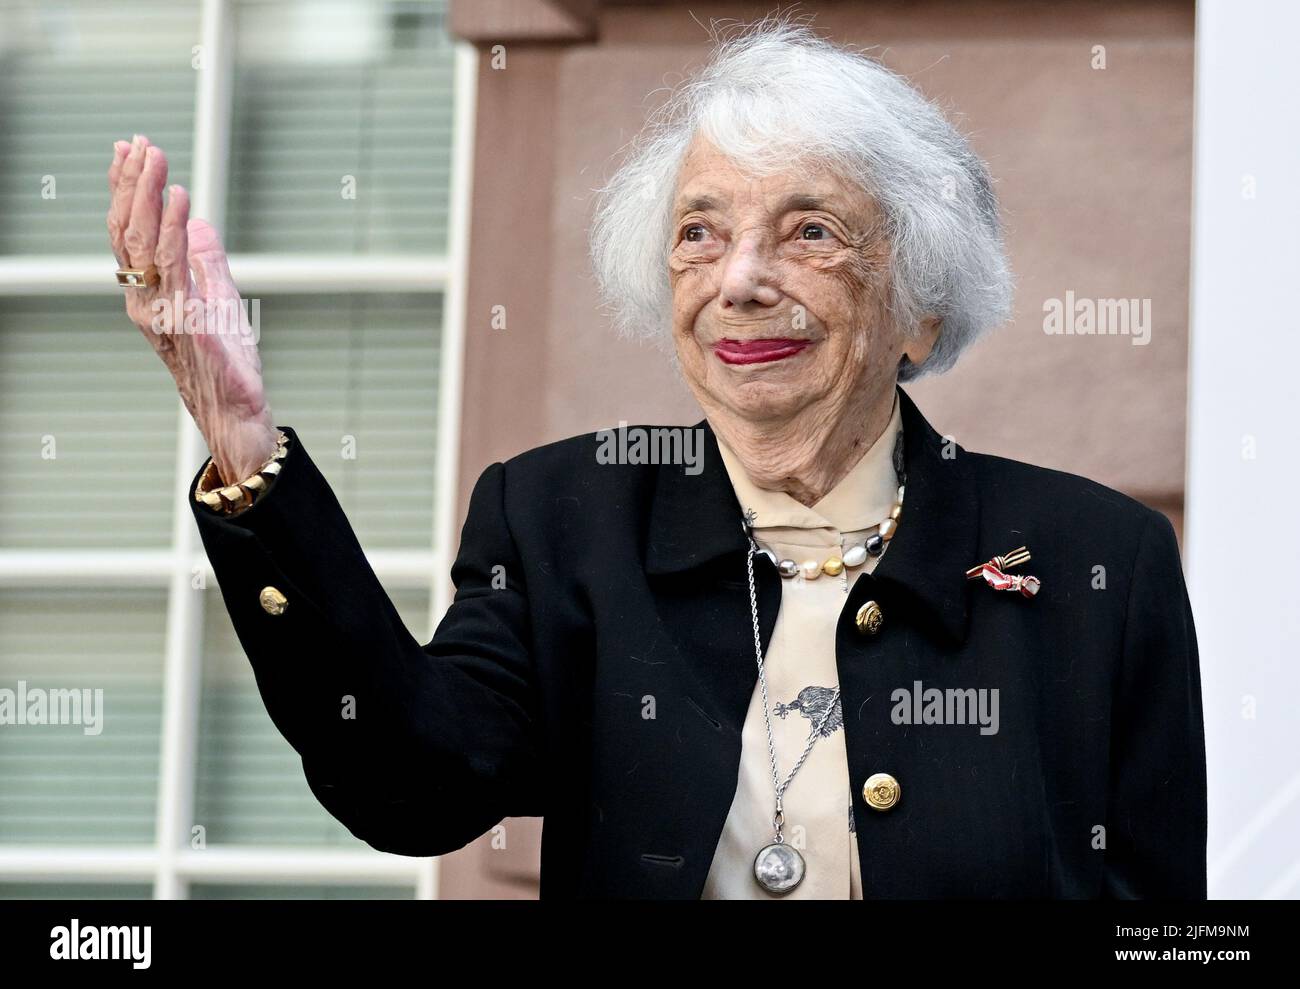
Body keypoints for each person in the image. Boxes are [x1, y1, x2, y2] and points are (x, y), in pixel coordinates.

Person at [104, 19, 1206, 899]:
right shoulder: (560, 519)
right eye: (699, 234)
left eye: (809, 230)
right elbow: (416, 785)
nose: (738, 281)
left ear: (919, 305)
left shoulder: (1096, 559)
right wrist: (243, 439)